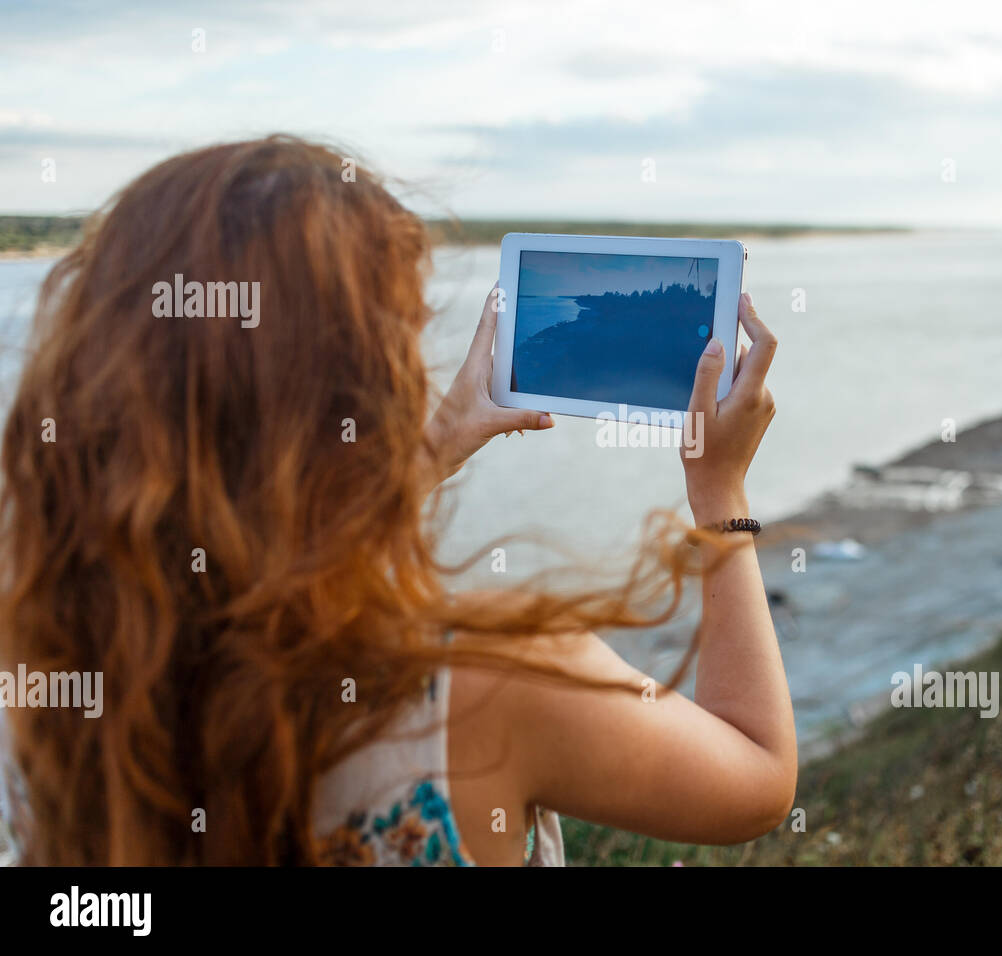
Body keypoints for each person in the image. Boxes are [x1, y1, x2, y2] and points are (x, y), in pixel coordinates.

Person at [0, 135, 796, 866]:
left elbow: (251, 544)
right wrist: (719, 493)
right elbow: (757, 774)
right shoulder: (493, 684)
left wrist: (434, 447)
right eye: (403, 335)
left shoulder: (58, 661)